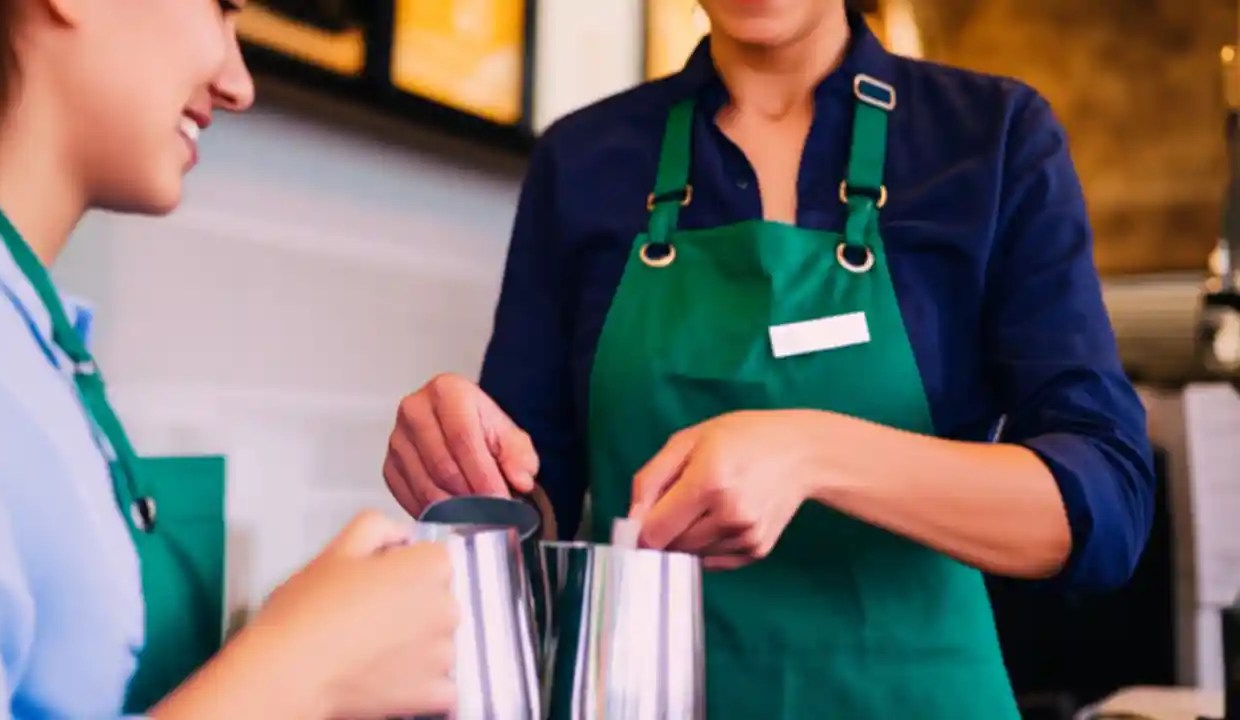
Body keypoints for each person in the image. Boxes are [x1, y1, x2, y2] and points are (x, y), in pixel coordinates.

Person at [383, 0, 1156, 717]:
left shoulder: (991, 138)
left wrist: (812, 453)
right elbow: (531, 514)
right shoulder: (583, 161)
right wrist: (467, 472)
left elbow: (1106, 504)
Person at [0, 1, 457, 718]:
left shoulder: (27, 340)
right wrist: (301, 671)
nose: (239, 83)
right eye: (220, 8)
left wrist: (314, 638)